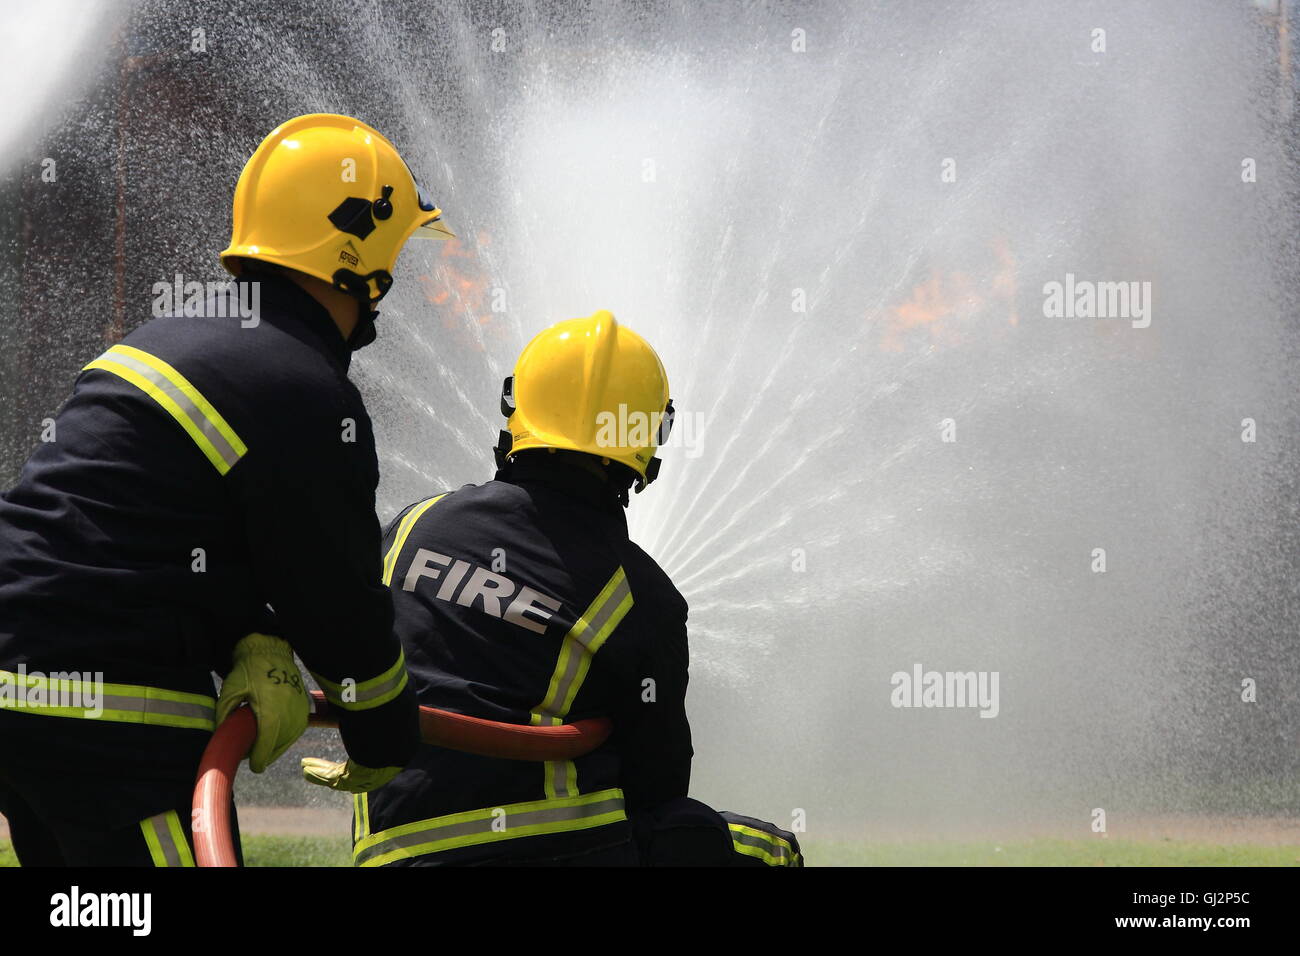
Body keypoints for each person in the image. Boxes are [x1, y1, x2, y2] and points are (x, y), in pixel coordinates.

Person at [0, 113, 451, 866]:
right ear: (357, 255)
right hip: (113, 698)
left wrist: (243, 631)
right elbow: (334, 598)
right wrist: (382, 730)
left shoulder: (162, 340)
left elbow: (145, 526)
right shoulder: (303, 388)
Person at [352, 310, 803, 866]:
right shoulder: (640, 595)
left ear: (517, 410)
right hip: (543, 855)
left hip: (386, 857)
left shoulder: (412, 525)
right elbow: (657, 789)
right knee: (762, 849)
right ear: (648, 441)